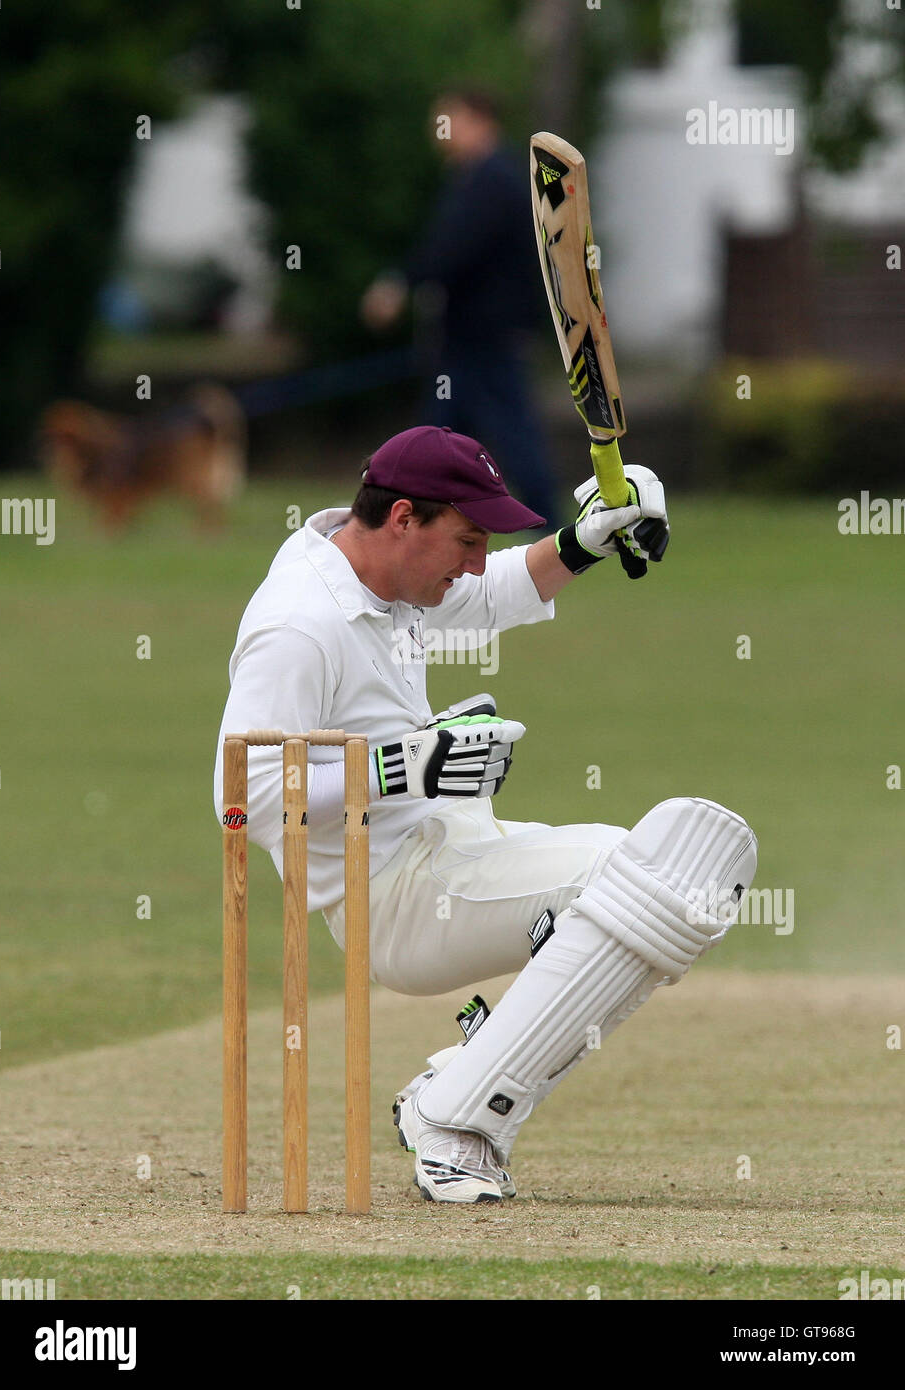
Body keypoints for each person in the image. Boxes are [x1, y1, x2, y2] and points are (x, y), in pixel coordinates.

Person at [213, 425, 757, 1204]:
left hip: (453, 848)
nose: (473, 560)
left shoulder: (382, 576)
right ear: (403, 517)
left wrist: (581, 544)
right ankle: (454, 1120)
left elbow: (488, 594)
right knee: (656, 873)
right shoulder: (302, 625)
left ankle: (464, 1084)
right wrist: (405, 764)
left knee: (678, 875)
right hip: (389, 896)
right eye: (467, 539)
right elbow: (242, 798)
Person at [361, 86, 561, 530]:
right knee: (449, 430)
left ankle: (548, 519)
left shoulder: (490, 179)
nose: (439, 134)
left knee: (503, 430)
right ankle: (426, 510)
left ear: (479, 119)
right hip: (470, 337)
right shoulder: (477, 177)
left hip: (485, 336)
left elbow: (453, 249)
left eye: (447, 121)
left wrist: (401, 285)